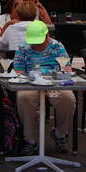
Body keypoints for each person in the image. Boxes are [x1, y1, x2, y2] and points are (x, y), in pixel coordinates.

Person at [12, 20, 75, 155]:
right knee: (24, 98)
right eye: (33, 42)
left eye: (39, 41)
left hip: (54, 83)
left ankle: (60, 133)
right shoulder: (23, 48)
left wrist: (60, 73)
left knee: (68, 99)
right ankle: (29, 140)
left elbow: (67, 68)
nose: (36, 45)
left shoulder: (57, 47)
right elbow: (18, 71)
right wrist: (29, 78)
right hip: (31, 83)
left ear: (47, 36)